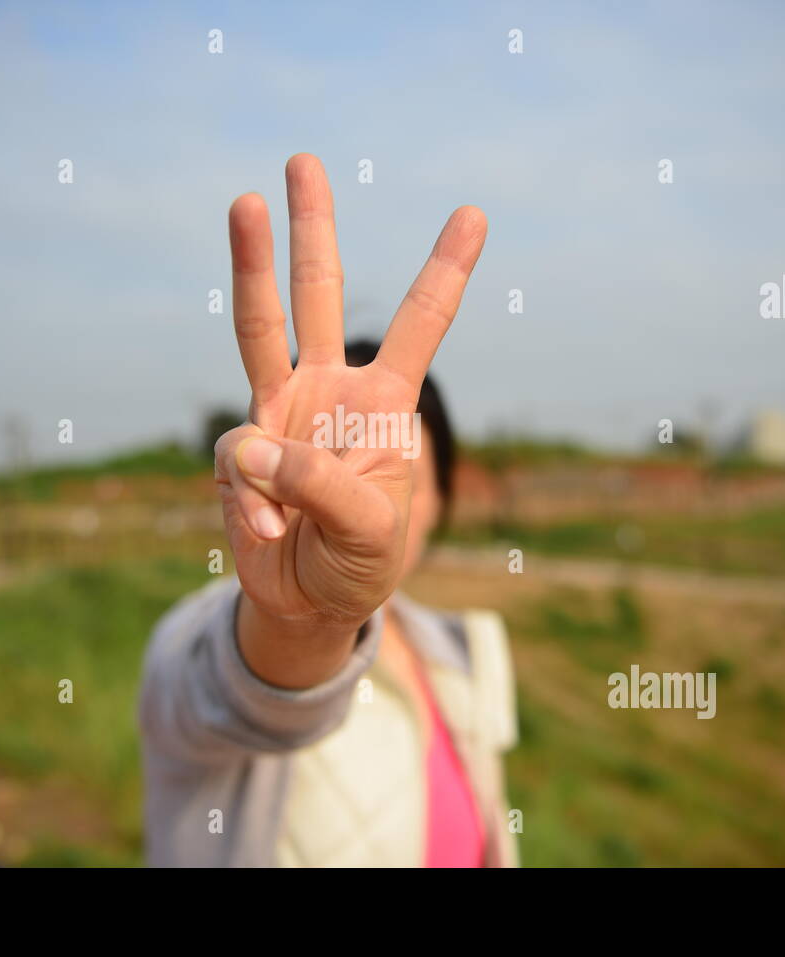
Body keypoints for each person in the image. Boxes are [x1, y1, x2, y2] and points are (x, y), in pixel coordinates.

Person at [137, 154, 518, 867]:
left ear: (445, 501)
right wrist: (305, 618)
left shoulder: (464, 655)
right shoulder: (205, 644)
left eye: (406, 479)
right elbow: (234, 695)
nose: (364, 505)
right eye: (341, 467)